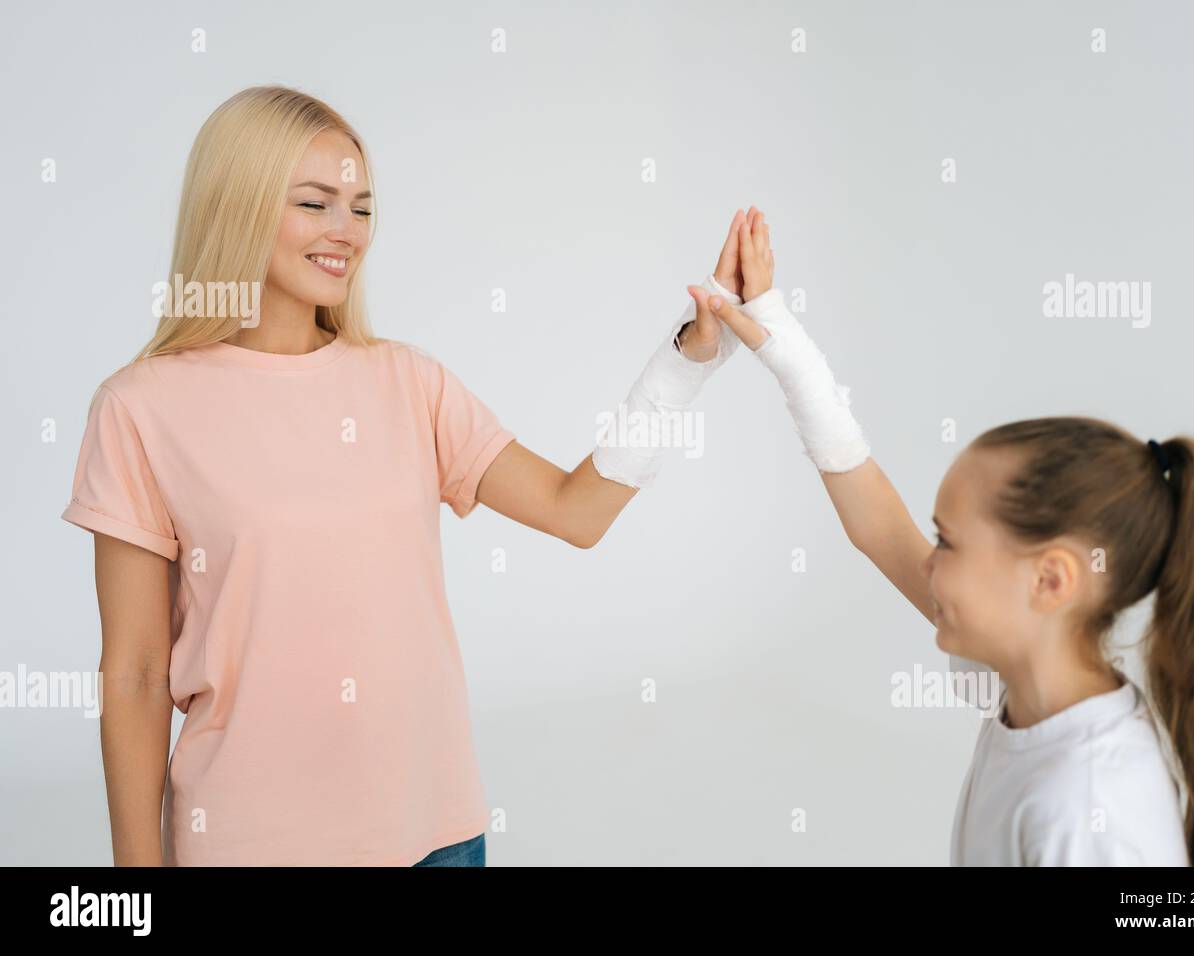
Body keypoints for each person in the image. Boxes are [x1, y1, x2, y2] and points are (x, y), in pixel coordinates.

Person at [59, 83, 756, 866]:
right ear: (239, 204)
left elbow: (576, 512)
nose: (346, 232)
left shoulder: (410, 383)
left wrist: (685, 363)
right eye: (315, 203)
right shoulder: (140, 408)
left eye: (360, 207)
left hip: (436, 839)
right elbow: (137, 675)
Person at [696, 213, 1194, 865]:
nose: (928, 562)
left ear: (1051, 580)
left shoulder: (1085, 810)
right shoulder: (1024, 681)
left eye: (947, 542)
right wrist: (783, 344)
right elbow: (875, 527)